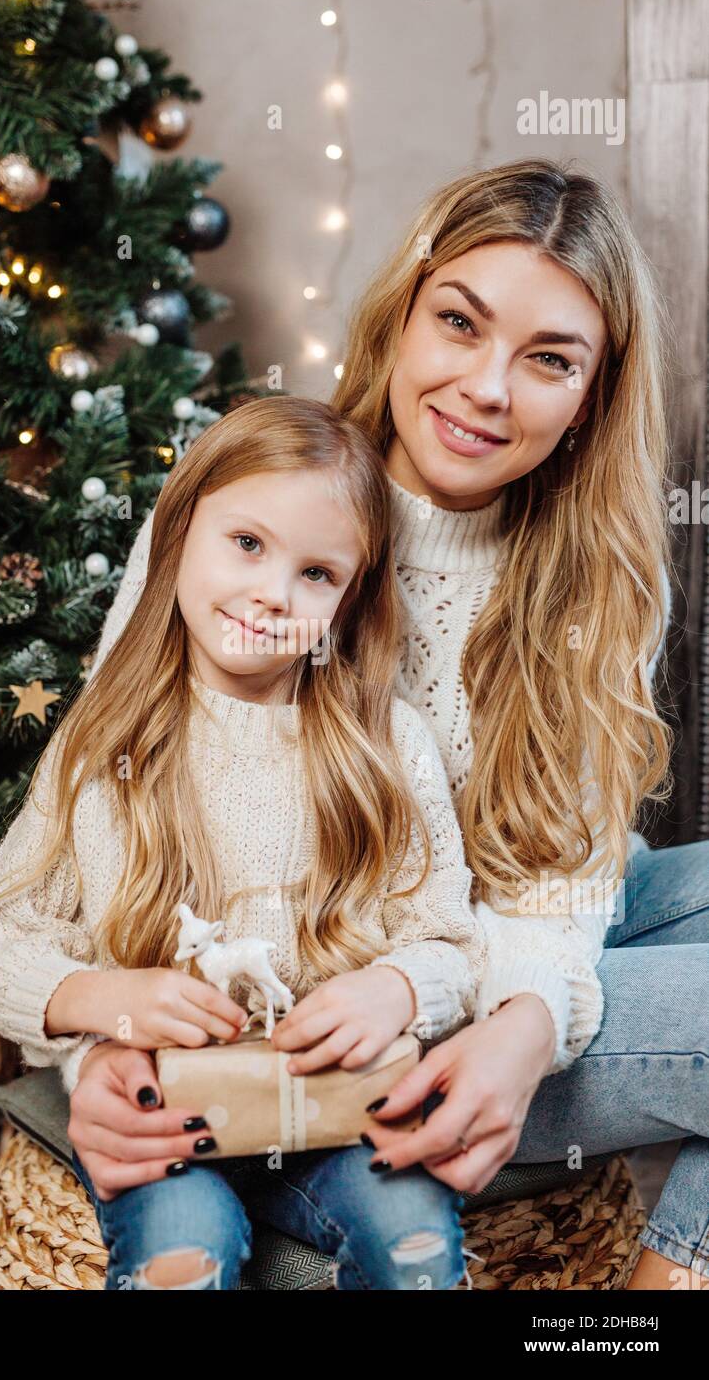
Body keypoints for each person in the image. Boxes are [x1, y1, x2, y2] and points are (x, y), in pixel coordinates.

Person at [82, 158, 709, 1291]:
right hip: (335, 1017)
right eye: (458, 324)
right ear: (400, 312)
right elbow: (104, 808)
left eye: (548, 360)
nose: (484, 388)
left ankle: (668, 1280)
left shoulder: (593, 575)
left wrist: (523, 1023)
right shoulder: (261, 504)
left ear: (592, 396)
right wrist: (103, 1041)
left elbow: (555, 893)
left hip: (498, 989)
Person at [0, 395, 490, 1290]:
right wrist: (105, 999)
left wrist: (398, 987)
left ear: (351, 596)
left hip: (333, 1117)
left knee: (414, 1235)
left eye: (317, 573)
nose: (271, 594)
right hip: (173, 1119)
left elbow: (452, 940)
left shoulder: (385, 744)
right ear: (178, 536)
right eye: (246, 544)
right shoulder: (105, 740)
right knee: (182, 1248)